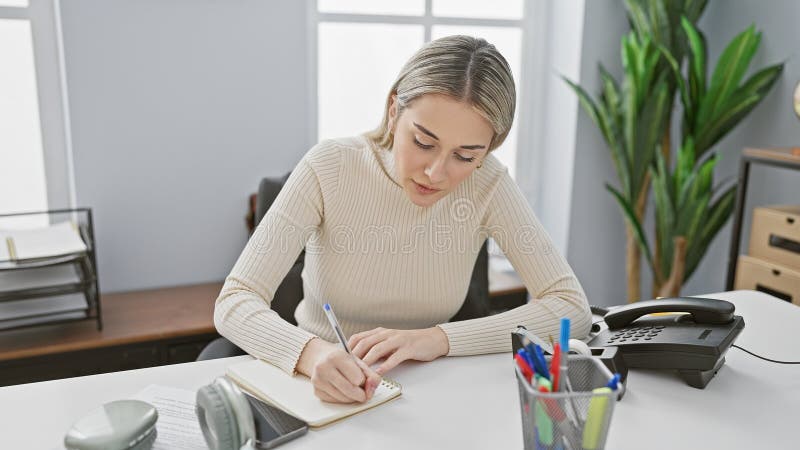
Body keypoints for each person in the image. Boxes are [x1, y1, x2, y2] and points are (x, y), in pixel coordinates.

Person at [214, 35, 591, 404]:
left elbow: (572, 309)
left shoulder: (488, 183)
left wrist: (437, 339)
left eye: (465, 155)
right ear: (394, 111)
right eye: (424, 143)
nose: (436, 173)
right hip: (317, 385)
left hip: (427, 391)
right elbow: (234, 301)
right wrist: (312, 355)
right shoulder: (329, 167)